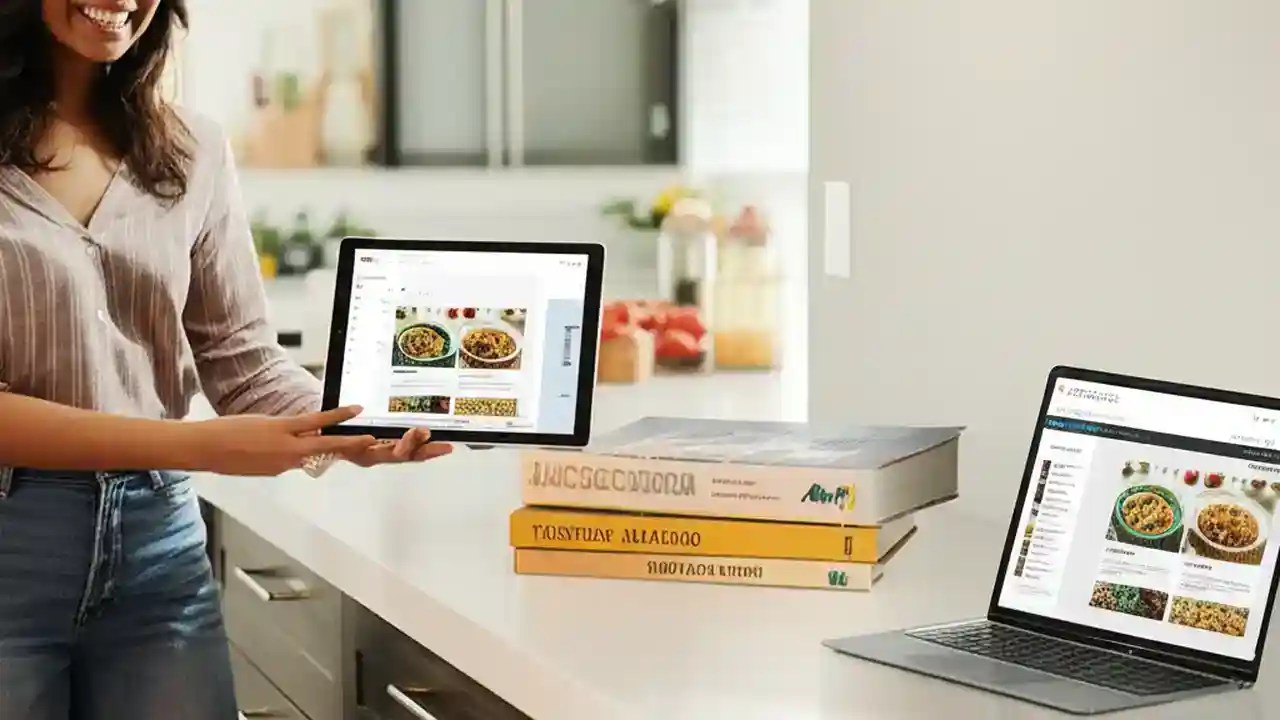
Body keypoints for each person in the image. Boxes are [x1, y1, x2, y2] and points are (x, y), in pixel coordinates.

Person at [0, 2, 453, 717]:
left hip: (159, 551)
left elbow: (241, 359)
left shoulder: (191, 149)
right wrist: (200, 445)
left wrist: (359, 421)